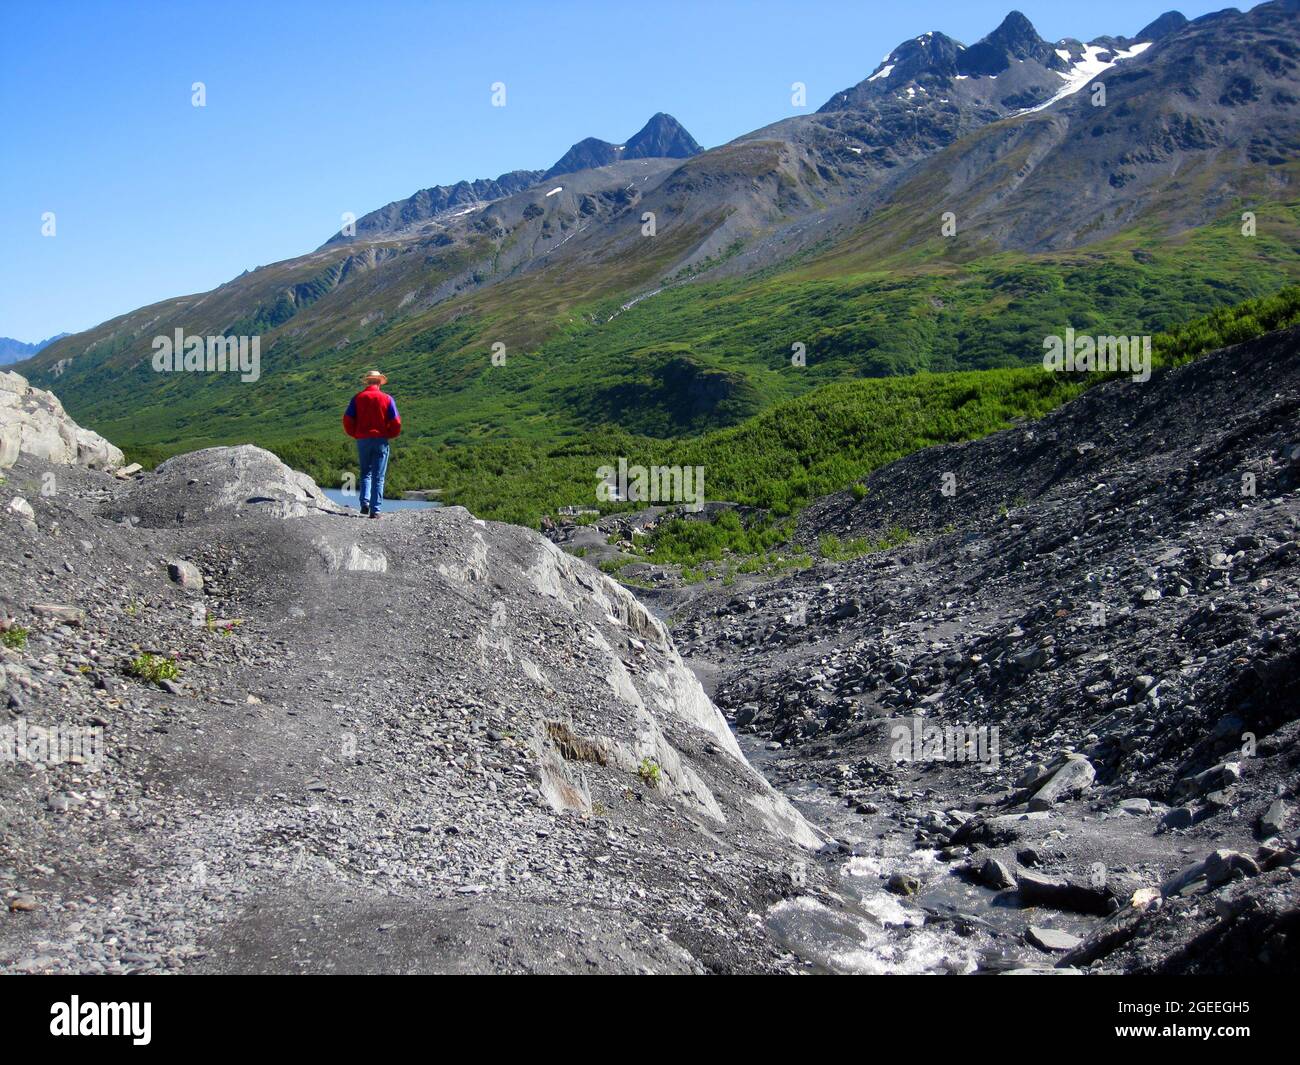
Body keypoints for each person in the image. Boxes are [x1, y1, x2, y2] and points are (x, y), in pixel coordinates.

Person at [343, 370, 402, 518]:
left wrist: (355, 433)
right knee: (378, 476)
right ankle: (375, 510)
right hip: (381, 439)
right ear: (379, 383)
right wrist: (390, 434)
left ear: (367, 382)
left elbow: (347, 419)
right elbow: (396, 422)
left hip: (363, 439)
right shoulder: (387, 399)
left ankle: (365, 503)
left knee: (365, 473)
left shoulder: (357, 398)